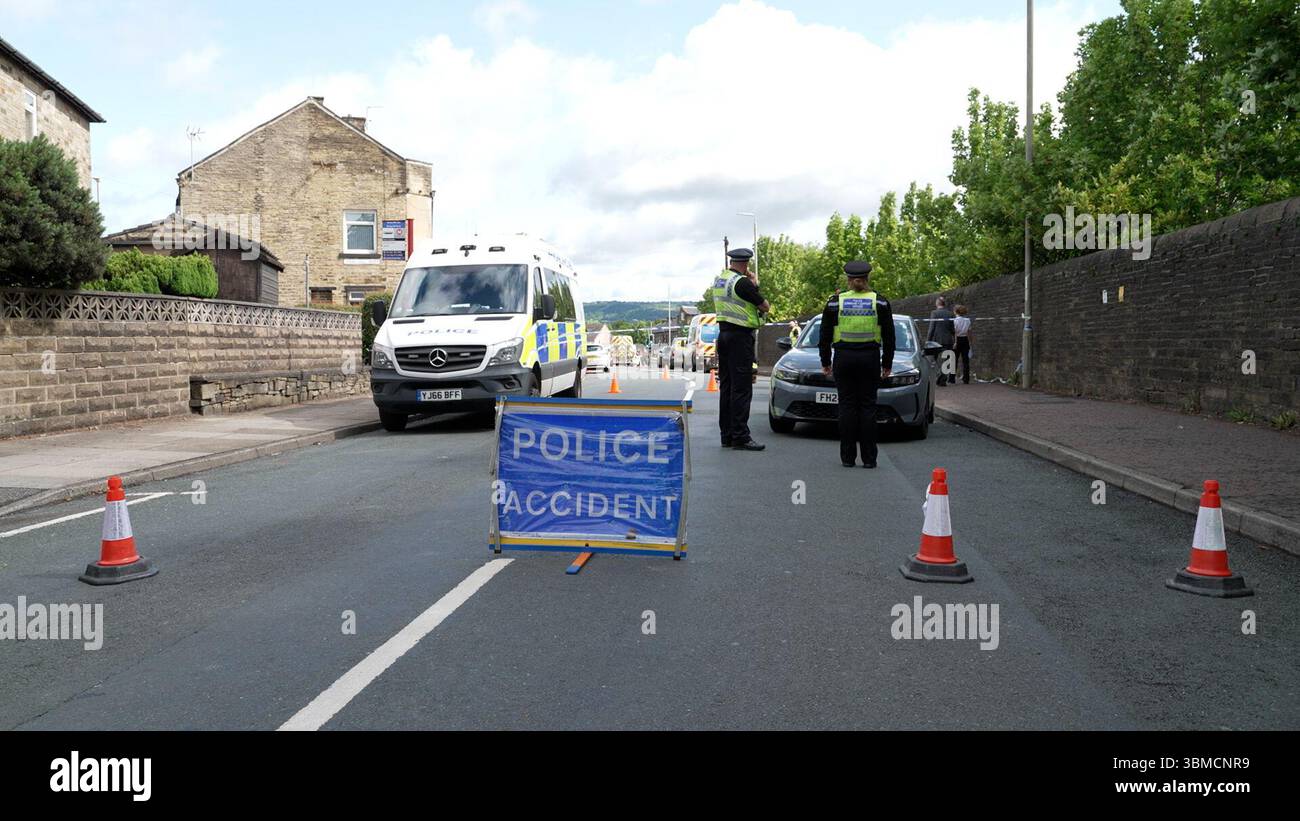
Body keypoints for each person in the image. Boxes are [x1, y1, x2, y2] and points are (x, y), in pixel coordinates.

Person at [819, 260, 895, 468]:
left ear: (849, 280)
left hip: (843, 358)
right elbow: (889, 336)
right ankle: (869, 459)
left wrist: (825, 362)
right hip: (869, 358)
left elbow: (824, 336)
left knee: (847, 407)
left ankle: (847, 458)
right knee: (868, 407)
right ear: (868, 279)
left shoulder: (835, 302)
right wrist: (887, 363)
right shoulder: (879, 302)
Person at [710, 248, 770, 450]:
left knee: (727, 387)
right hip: (740, 338)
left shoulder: (720, 280)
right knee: (742, 388)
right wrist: (755, 284)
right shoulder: (742, 282)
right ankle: (741, 436)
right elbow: (764, 306)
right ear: (745, 264)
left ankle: (726, 435)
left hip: (724, 336)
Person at [927, 296, 956, 386]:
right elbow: (952, 329)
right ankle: (942, 380)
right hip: (948, 340)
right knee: (947, 361)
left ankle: (938, 376)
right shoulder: (950, 314)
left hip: (936, 340)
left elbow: (931, 328)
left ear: (937, 303)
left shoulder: (934, 313)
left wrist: (928, 340)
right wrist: (954, 339)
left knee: (933, 360)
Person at [953, 304, 973, 385]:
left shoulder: (955, 320)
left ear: (956, 311)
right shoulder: (967, 320)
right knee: (966, 360)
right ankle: (966, 379)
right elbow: (969, 332)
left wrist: (955, 342)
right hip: (965, 340)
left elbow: (955, 332)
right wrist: (970, 342)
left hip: (957, 339)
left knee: (954, 359)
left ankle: (951, 378)